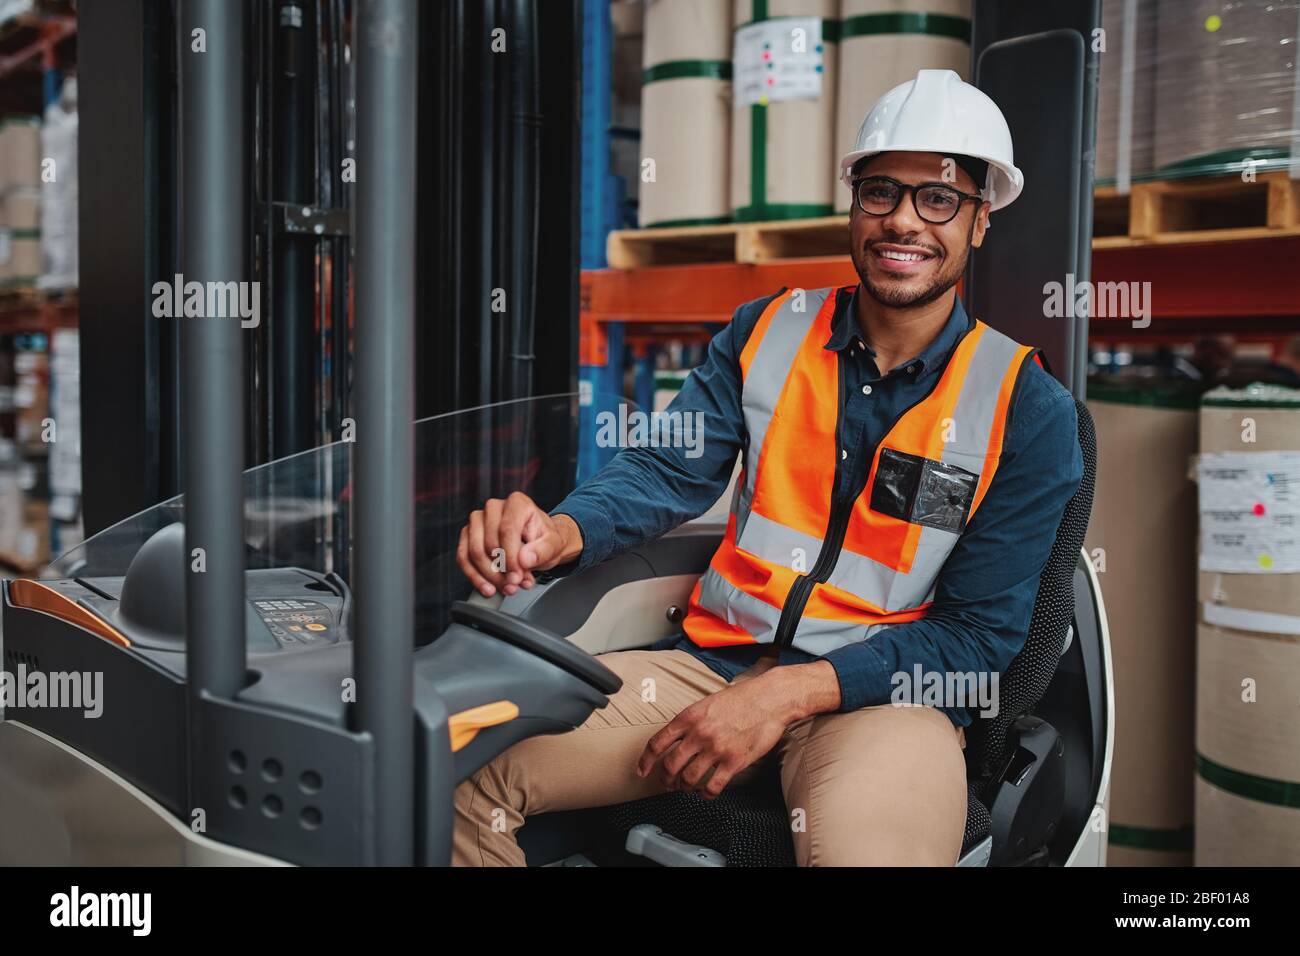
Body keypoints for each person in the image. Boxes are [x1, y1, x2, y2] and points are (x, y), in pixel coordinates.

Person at [452, 69, 1082, 866]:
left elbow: (977, 637)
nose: (904, 221)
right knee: (463, 772)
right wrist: (559, 531)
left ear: (979, 221)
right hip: (710, 666)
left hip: (888, 704)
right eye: (882, 191)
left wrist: (786, 693)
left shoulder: (1028, 408)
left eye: (940, 198)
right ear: (855, 202)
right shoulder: (767, 332)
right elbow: (665, 472)